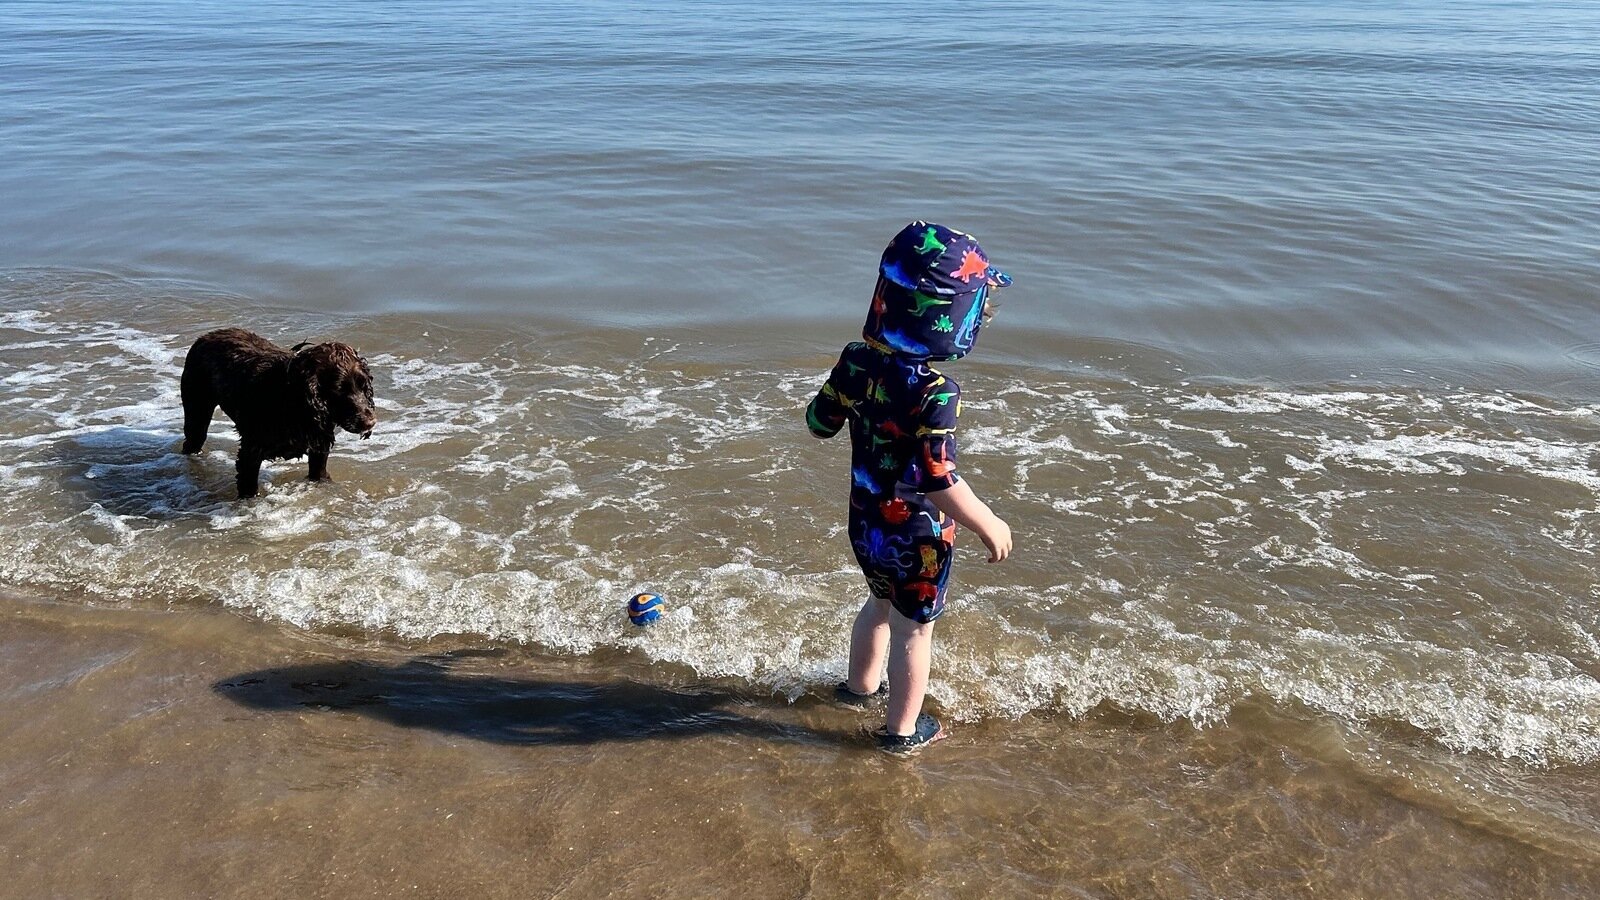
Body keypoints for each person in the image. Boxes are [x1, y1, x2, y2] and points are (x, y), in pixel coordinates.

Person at [805, 221, 1014, 753]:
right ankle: (902, 732)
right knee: (914, 631)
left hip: (864, 522)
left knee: (877, 604)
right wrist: (987, 521)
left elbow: (819, 423)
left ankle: (858, 690)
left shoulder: (855, 360)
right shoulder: (937, 390)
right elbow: (936, 479)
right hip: (918, 537)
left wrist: (843, 404)